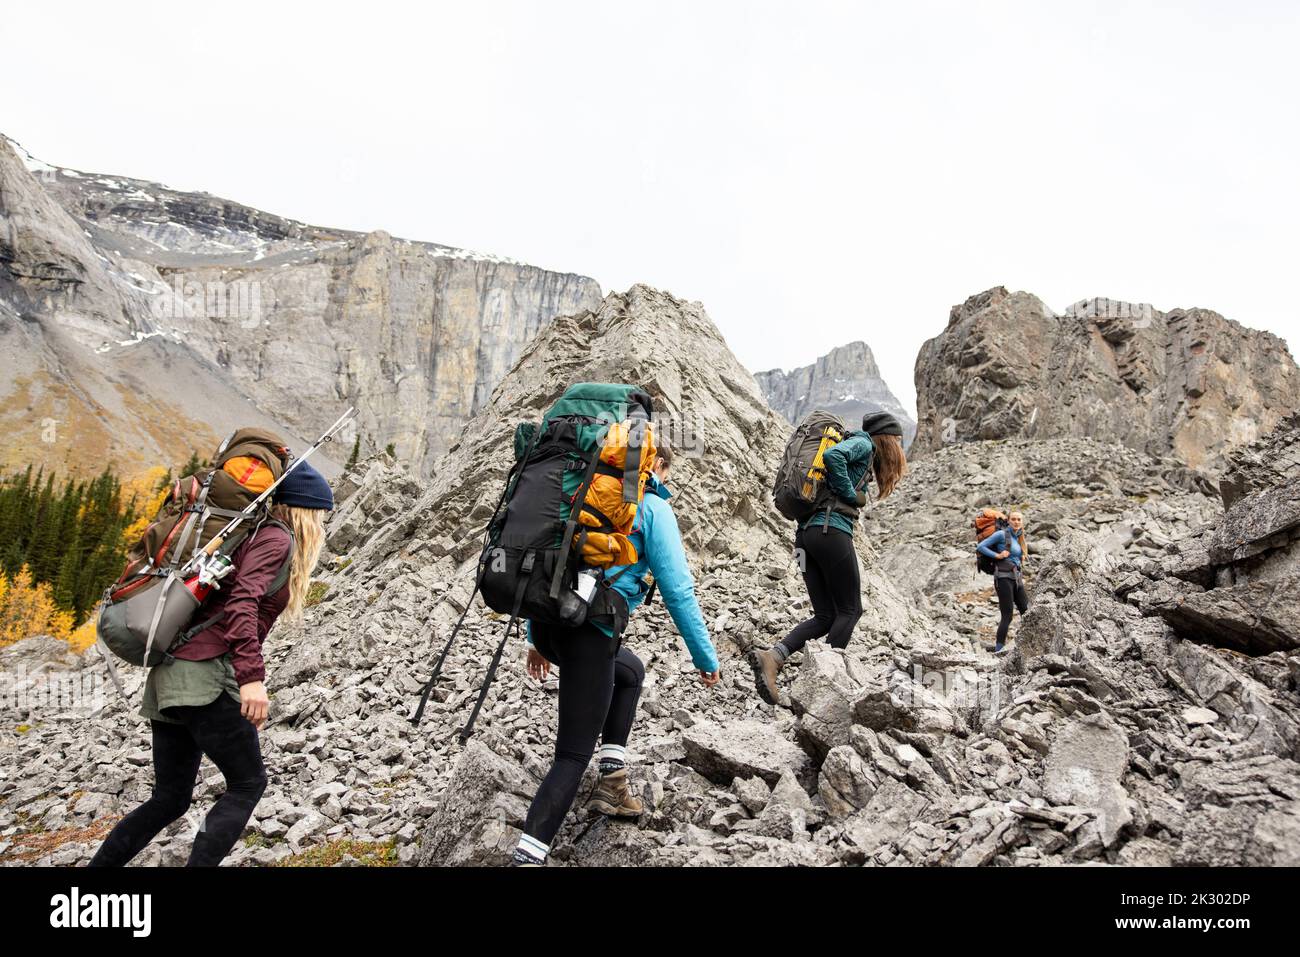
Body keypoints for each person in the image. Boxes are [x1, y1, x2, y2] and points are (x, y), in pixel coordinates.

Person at [89, 461, 333, 867]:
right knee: (247, 783)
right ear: (307, 512)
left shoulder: (246, 536)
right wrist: (252, 679)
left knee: (170, 798)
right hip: (205, 680)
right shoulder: (276, 538)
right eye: (323, 514)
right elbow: (242, 603)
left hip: (170, 677)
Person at [513, 437, 720, 867]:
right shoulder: (653, 507)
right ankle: (526, 858)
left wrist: (537, 637)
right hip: (589, 632)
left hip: (557, 624)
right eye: (667, 474)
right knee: (570, 756)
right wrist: (705, 658)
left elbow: (554, 564)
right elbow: (678, 591)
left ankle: (611, 782)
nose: (666, 482)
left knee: (630, 671)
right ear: (656, 464)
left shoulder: (585, 491)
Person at [749, 411, 908, 705]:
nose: (900, 447)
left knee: (826, 615)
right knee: (851, 610)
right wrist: (849, 494)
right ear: (886, 438)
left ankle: (773, 658)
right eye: (897, 439)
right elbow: (833, 456)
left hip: (805, 541)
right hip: (830, 533)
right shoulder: (864, 443)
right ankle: (819, 684)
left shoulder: (861, 451)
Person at [977, 510, 1028, 654]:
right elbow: (980, 547)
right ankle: (999, 649)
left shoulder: (1018, 537)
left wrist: (1019, 559)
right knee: (1007, 615)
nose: (1016, 521)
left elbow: (1015, 555)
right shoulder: (1001, 534)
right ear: (1009, 521)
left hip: (1016, 578)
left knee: (1027, 611)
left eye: (1019, 519)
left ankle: (1026, 644)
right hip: (1003, 578)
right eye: (1014, 519)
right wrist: (997, 555)